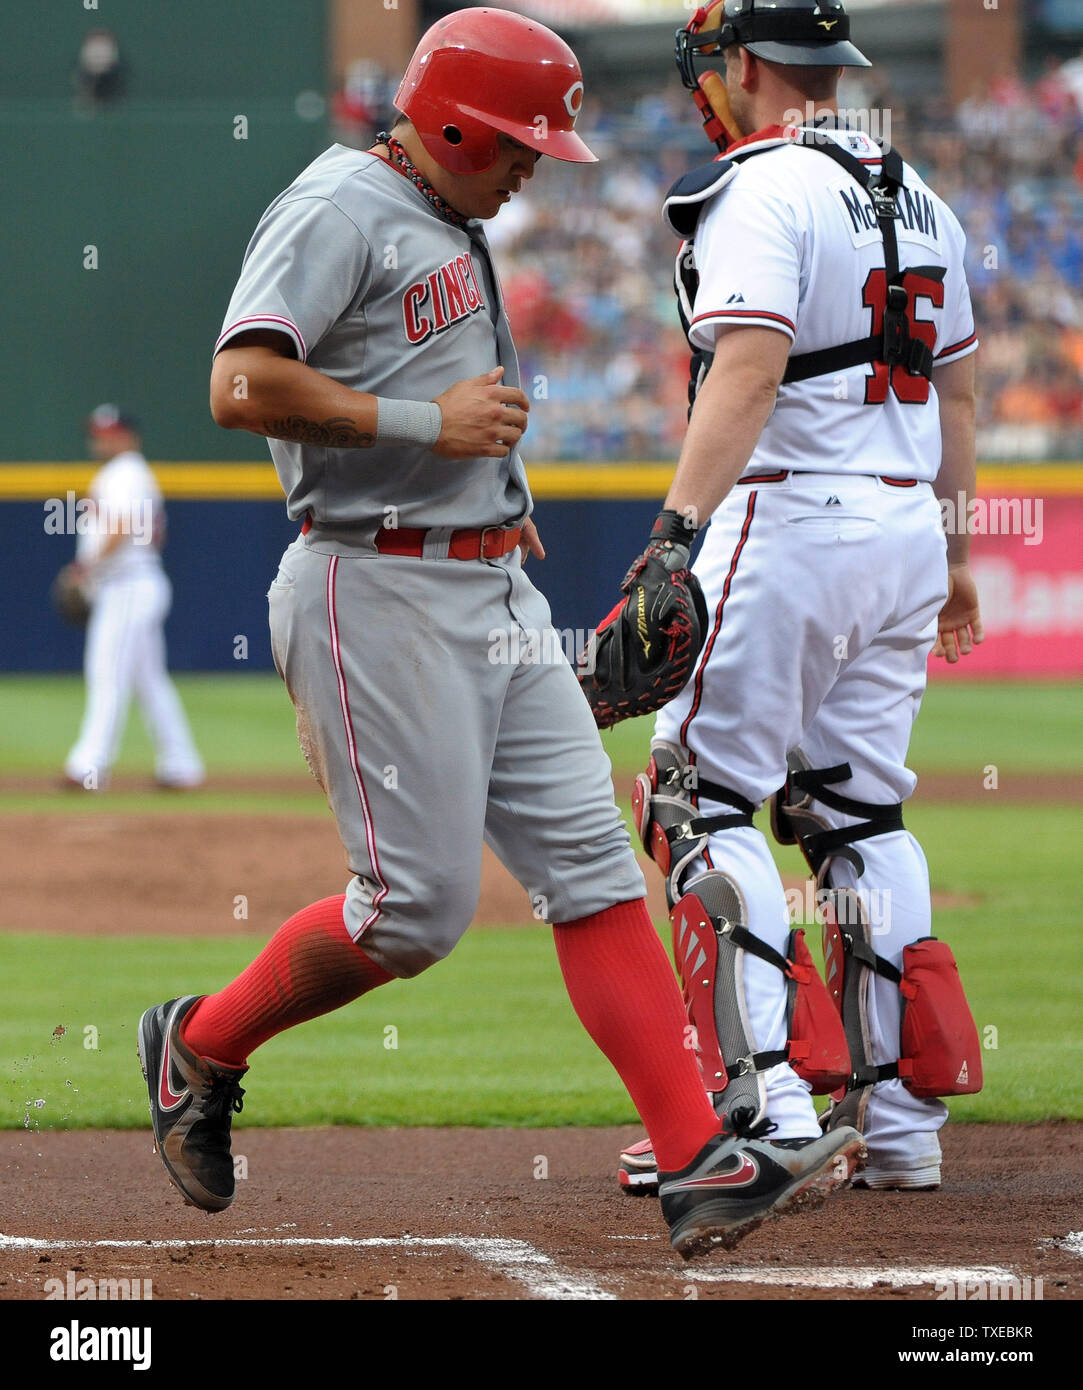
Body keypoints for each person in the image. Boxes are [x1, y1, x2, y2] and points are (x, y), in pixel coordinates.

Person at [135, 7, 861, 1260]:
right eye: (522, 142)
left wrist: (496, 505)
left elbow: (461, 407)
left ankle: (698, 1160)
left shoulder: (451, 219)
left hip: (489, 587)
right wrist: (427, 431)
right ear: (457, 121)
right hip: (373, 588)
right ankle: (197, 1043)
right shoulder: (337, 206)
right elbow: (239, 384)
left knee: (588, 871)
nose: (537, 165)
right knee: (413, 914)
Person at [601, 0, 984, 1197]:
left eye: (714, 62)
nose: (705, 83)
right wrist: (959, 549)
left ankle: (762, 1109)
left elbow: (752, 366)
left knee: (694, 801)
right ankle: (901, 1126)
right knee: (861, 817)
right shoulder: (925, 194)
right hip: (905, 523)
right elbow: (959, 397)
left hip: (792, 514)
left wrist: (674, 533)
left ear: (750, 66)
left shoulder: (758, 186)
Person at [63, 405, 204, 792]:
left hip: (127, 585)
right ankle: (181, 765)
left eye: (110, 432)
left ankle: (88, 767)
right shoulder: (129, 474)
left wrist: (85, 569)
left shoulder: (126, 472)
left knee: (107, 674)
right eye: (97, 432)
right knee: (149, 680)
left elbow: (123, 525)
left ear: (129, 436)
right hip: (134, 583)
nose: (101, 439)